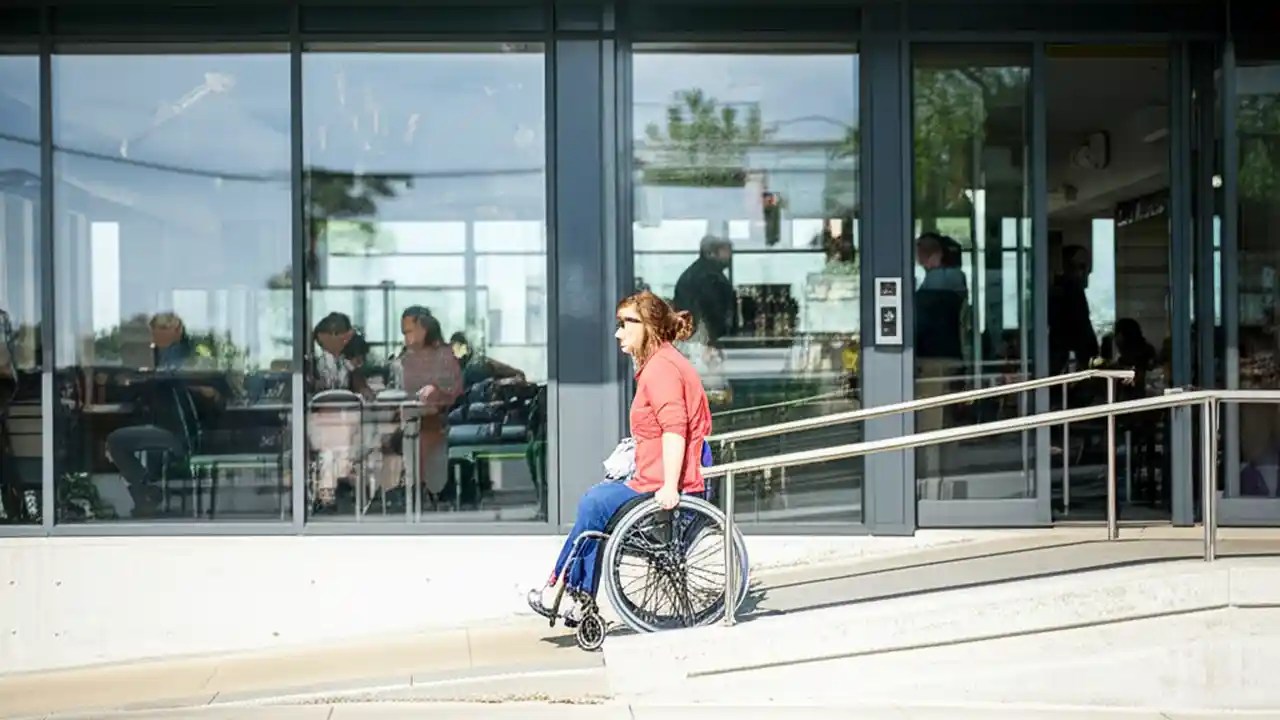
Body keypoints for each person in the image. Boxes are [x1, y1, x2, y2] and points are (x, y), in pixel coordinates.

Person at [527, 290, 713, 622]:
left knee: (595, 504)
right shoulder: (662, 363)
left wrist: (670, 486)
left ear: (649, 326)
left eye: (626, 323)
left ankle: (569, 591)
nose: (618, 332)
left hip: (667, 481)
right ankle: (569, 591)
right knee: (595, 500)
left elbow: (675, 429)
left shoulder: (662, 370)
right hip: (653, 473)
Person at [377, 306, 464, 503]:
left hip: (434, 423)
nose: (406, 338)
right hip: (404, 418)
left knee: (414, 435)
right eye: (404, 333)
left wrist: (435, 391)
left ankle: (415, 488)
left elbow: (452, 393)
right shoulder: (404, 359)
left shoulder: (444, 356)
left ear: (423, 329)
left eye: (409, 332)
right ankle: (393, 490)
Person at [307, 312, 372, 513]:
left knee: (343, 451)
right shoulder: (312, 365)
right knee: (329, 453)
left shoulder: (347, 364)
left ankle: (330, 492)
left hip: (344, 424)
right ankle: (327, 494)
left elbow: (361, 389)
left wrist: (365, 390)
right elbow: (311, 392)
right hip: (323, 424)